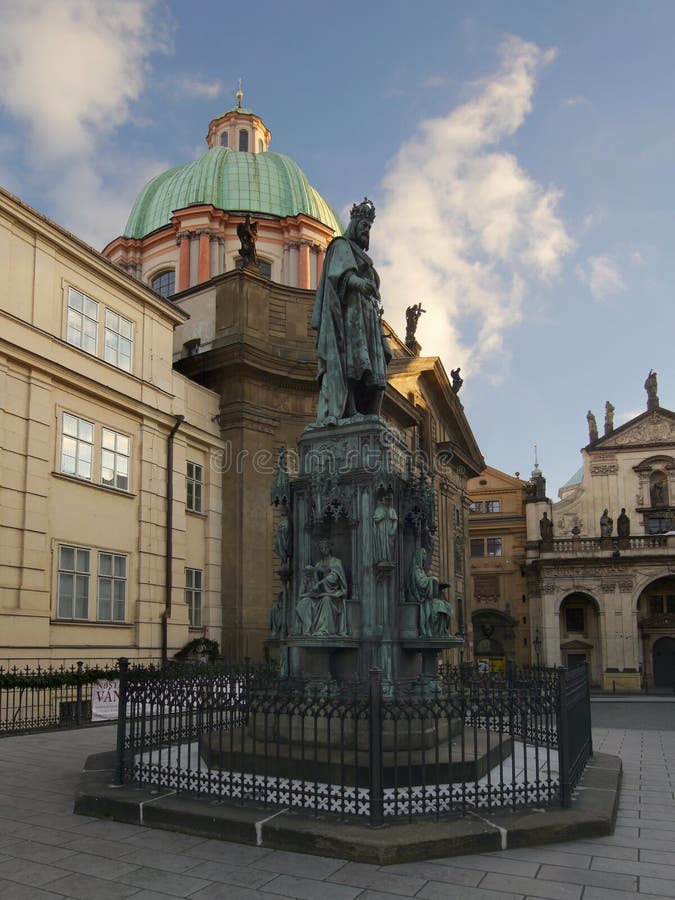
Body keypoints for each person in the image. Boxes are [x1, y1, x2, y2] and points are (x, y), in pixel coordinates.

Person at [311, 198, 392, 424]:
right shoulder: (340, 245)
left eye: (369, 228)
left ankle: (371, 414)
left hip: (369, 316)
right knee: (353, 360)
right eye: (364, 226)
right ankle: (351, 409)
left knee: (379, 361)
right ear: (354, 224)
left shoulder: (360, 253)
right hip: (350, 314)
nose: (367, 231)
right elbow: (340, 274)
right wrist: (361, 284)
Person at [295, 540, 348, 637]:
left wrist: (320, 584)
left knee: (326, 600)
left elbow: (334, 578)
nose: (323, 550)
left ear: (329, 548)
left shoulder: (336, 562)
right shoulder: (318, 564)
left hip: (333, 595)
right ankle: (307, 631)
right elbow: (314, 581)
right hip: (319, 595)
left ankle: (324, 630)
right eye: (321, 548)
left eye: (325, 548)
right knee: (305, 602)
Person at [406, 548, 453, 637]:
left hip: (427, 598)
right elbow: (420, 583)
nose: (425, 556)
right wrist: (431, 579)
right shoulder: (415, 570)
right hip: (422, 598)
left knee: (446, 605)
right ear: (419, 556)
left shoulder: (422, 571)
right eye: (423, 554)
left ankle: (442, 631)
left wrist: (430, 580)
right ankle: (436, 630)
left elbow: (424, 581)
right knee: (439, 606)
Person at [373, 493, 398, 562]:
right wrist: (381, 517)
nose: (387, 501)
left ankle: (389, 559)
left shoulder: (392, 510)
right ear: (382, 500)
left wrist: (393, 530)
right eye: (386, 499)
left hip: (389, 530)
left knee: (390, 545)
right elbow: (375, 520)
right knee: (382, 544)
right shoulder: (378, 509)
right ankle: (382, 558)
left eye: (389, 500)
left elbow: (395, 521)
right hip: (381, 530)